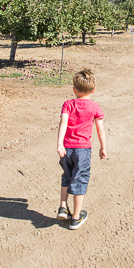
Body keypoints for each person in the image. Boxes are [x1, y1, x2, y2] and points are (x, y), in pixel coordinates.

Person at [56, 68, 107, 229]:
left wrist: (59, 144)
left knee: (67, 175)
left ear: (74, 90)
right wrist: (103, 147)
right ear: (94, 90)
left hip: (67, 149)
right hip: (82, 150)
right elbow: (100, 129)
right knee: (80, 179)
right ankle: (76, 217)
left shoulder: (68, 104)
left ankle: (63, 207)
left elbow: (63, 123)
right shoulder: (95, 107)